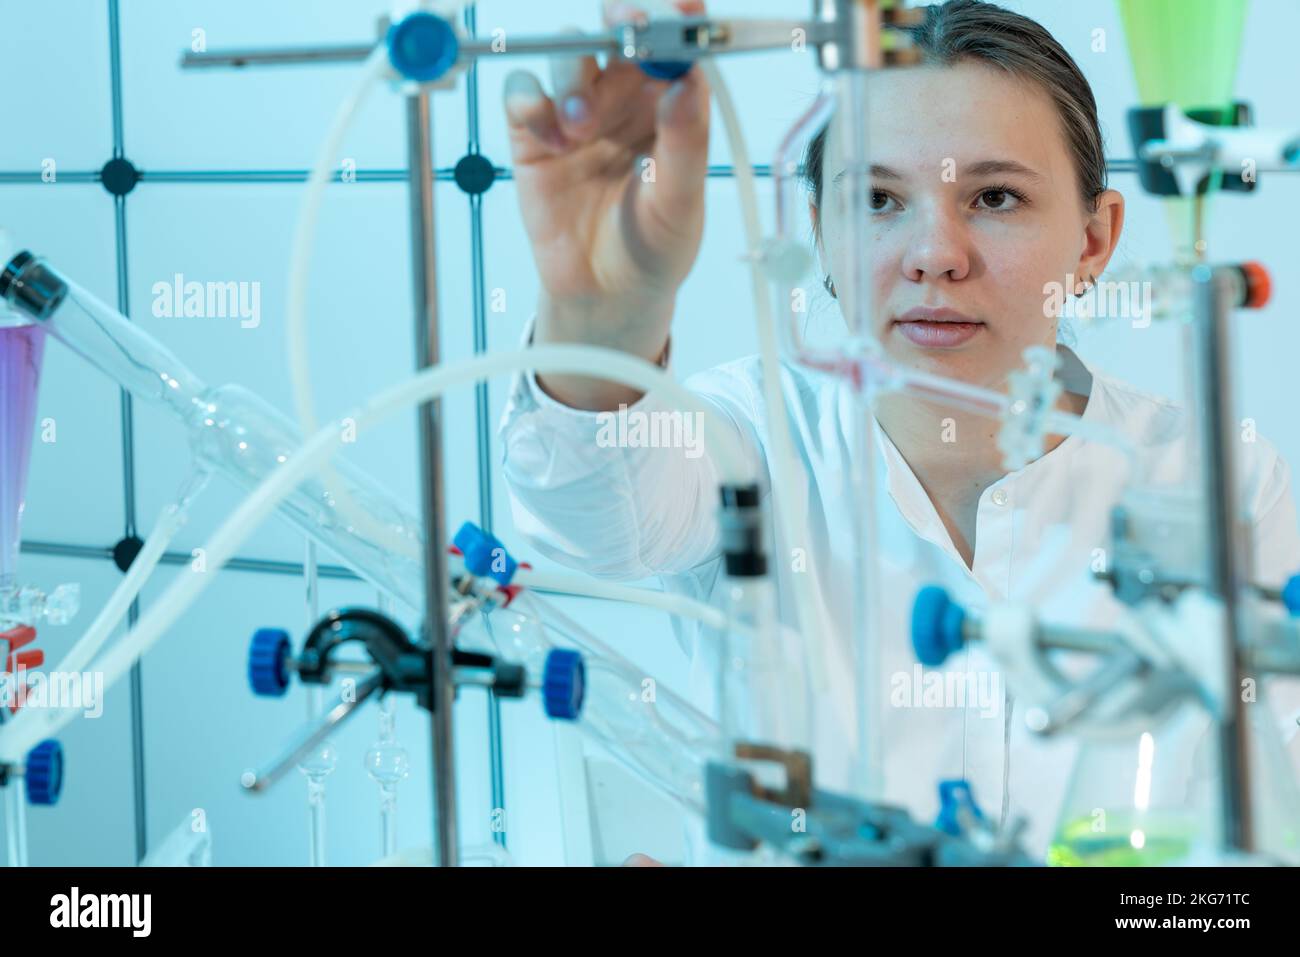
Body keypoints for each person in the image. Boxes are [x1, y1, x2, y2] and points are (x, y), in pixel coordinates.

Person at [497, 0, 1300, 862]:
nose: (934, 253)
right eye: (878, 199)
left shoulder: (1213, 479)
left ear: (1095, 240)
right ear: (819, 233)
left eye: (995, 196)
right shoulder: (746, 439)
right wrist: (605, 322)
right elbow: (592, 513)